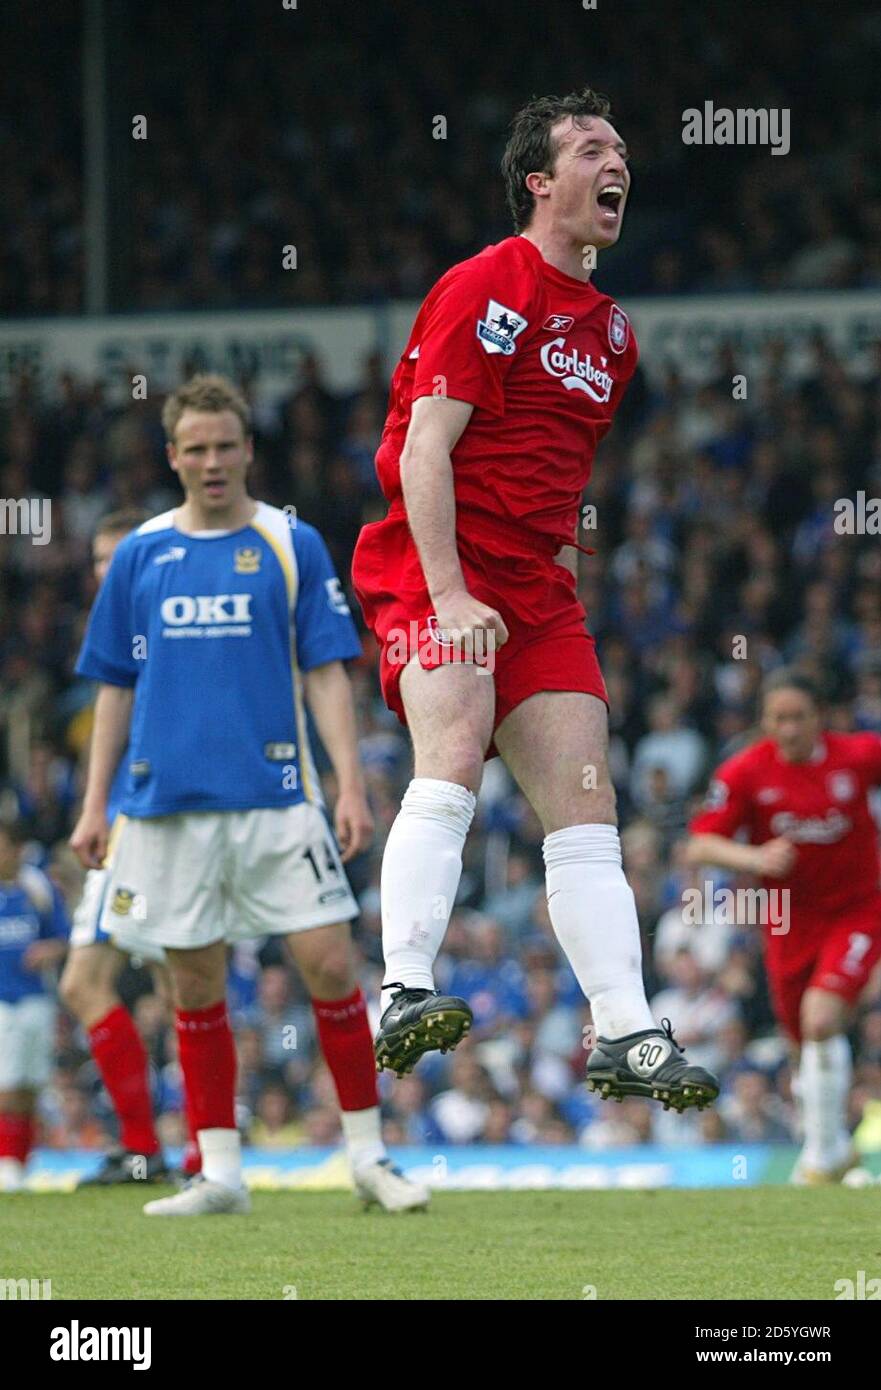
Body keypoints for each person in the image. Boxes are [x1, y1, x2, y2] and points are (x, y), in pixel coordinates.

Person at [352, 87, 717, 1113]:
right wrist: (450, 593)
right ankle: (406, 988)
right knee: (455, 748)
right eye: (593, 147)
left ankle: (629, 1031)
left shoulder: (611, 334)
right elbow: (424, 450)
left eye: (622, 150)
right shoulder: (485, 285)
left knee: (585, 804)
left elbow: (552, 474)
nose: (618, 165)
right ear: (539, 182)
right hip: (436, 561)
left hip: (534, 588)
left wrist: (549, 572)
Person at [71, 373, 428, 1215]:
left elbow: (325, 671)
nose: (212, 461)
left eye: (225, 445)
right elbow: (114, 685)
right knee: (191, 985)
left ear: (247, 449)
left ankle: (369, 1157)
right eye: (195, 448)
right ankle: (221, 1173)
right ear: (172, 457)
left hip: (277, 800)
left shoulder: (287, 543)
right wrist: (95, 804)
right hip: (163, 807)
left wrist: (346, 781)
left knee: (331, 964)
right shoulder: (140, 553)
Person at [686, 669, 881, 1182]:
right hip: (788, 922)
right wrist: (753, 857)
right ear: (764, 720)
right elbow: (699, 843)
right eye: (778, 718)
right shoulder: (745, 772)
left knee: (821, 1020)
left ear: (820, 718)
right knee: (800, 1043)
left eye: (798, 717)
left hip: (856, 911)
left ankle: (820, 1156)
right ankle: (834, 1150)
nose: (788, 729)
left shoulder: (859, 756)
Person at [61, 510, 179, 1186]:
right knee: (167, 986)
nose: (106, 571)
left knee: (144, 984)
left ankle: (165, 1150)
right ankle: (177, 1152)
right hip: (125, 824)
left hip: (150, 822)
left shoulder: (158, 631)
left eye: (119, 557)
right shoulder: (120, 629)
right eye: (99, 561)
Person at [0, 819, 70, 1190]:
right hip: (2, 1001)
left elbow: (64, 936)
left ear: (15, 849)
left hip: (36, 998)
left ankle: (20, 1164)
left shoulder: (37, 887)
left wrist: (48, 950)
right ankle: (6, 1163)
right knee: (6, 1085)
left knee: (29, 1085)